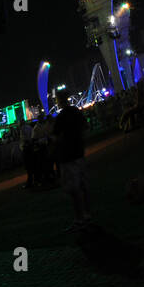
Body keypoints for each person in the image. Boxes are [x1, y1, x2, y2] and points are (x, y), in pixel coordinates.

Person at [52, 98, 92, 231]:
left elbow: (56, 137)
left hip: (68, 156)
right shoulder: (76, 112)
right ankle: (87, 214)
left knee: (74, 190)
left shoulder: (61, 117)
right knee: (83, 185)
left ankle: (79, 219)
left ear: (59, 101)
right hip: (79, 153)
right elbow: (85, 127)